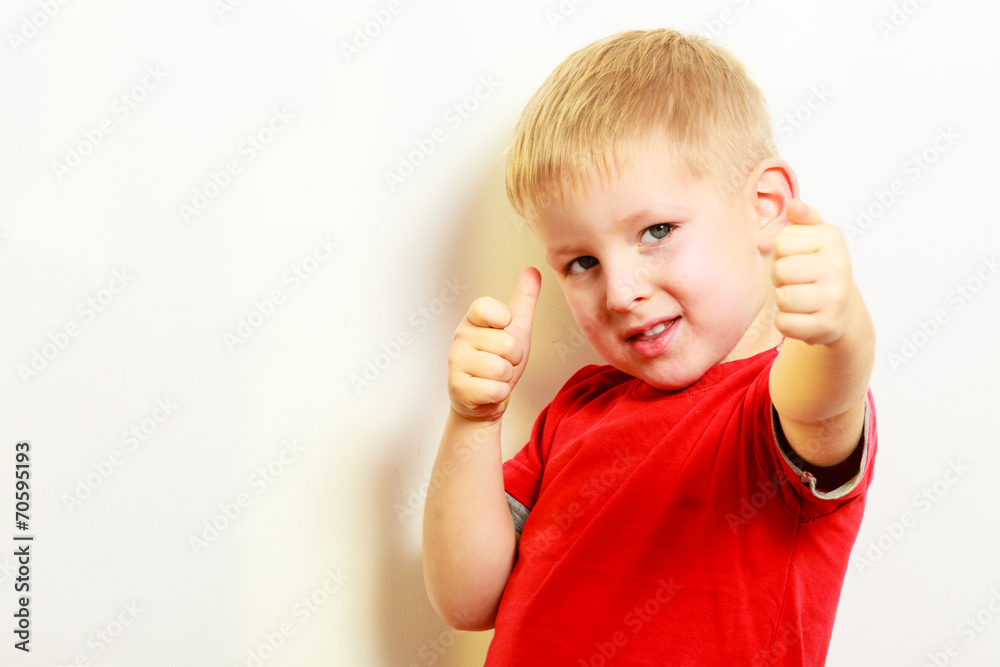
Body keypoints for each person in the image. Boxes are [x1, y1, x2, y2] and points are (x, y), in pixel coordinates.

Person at [422, 28, 877, 666]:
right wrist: (472, 419)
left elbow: (828, 392)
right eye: (582, 262)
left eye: (656, 231)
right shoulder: (579, 408)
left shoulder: (774, 410)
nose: (619, 292)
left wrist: (839, 323)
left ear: (765, 206)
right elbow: (467, 600)